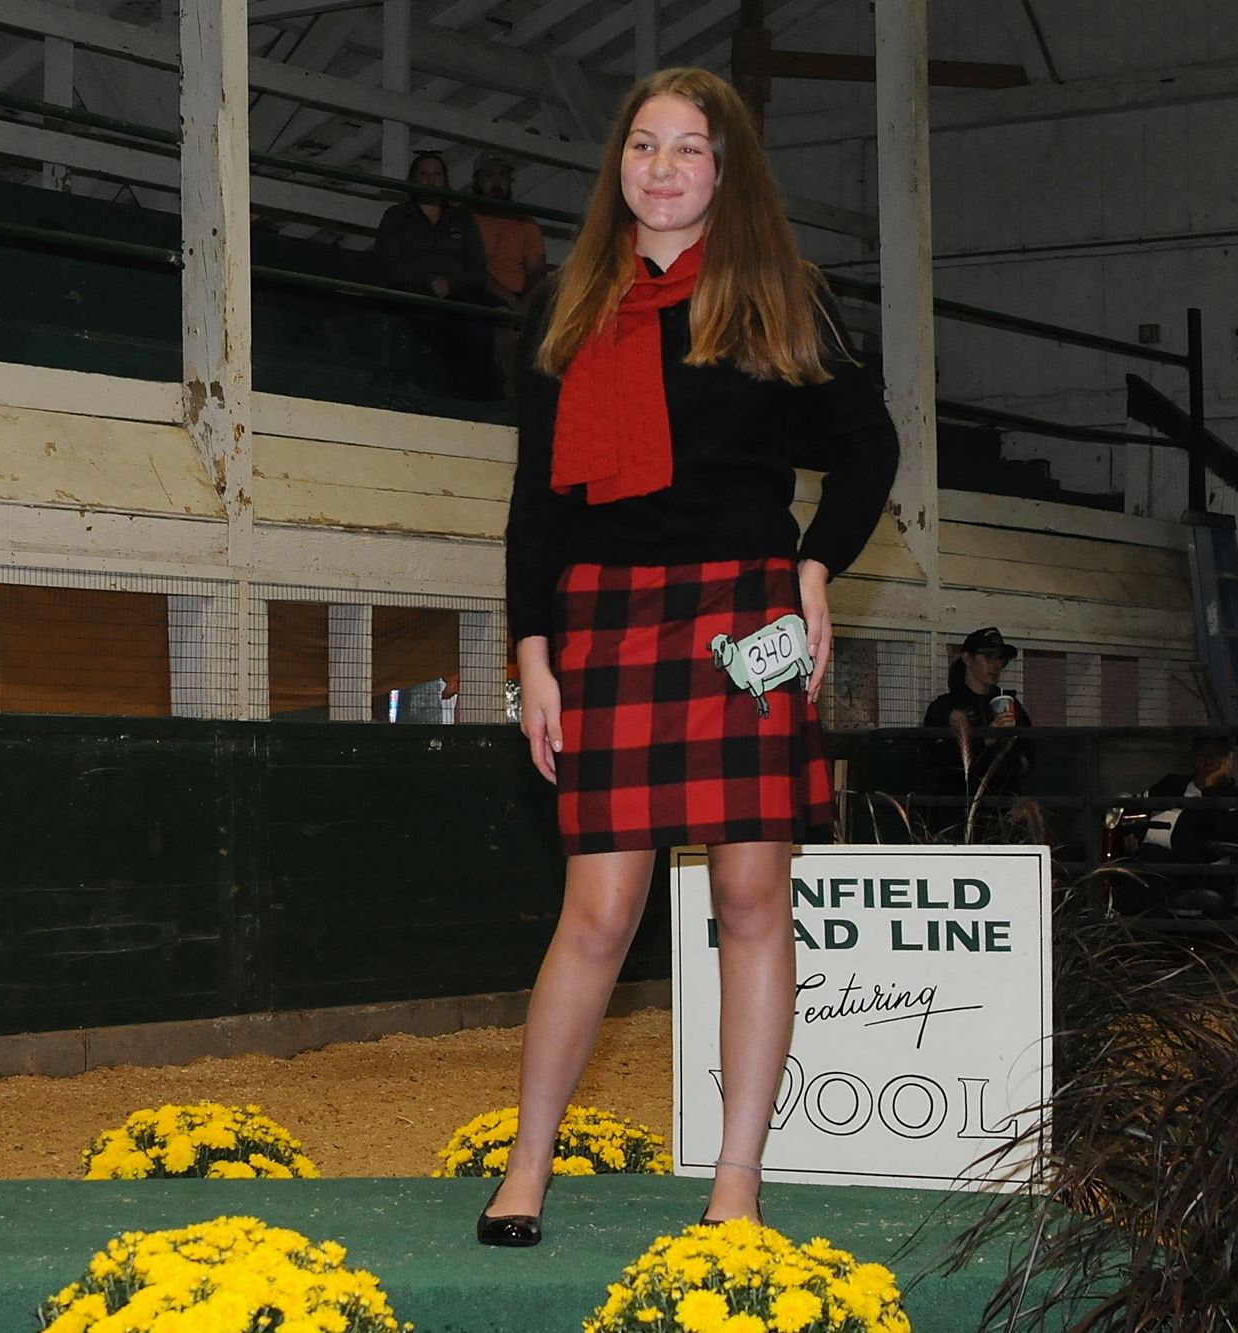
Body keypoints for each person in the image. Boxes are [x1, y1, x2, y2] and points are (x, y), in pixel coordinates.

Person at [487, 67, 899, 1245]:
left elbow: (867, 449)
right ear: (616, 165)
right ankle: (524, 1167)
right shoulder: (565, 305)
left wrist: (815, 566)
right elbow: (535, 501)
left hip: (744, 614)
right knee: (596, 911)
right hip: (603, 618)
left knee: (749, 896)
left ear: (725, 171)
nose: (660, 167)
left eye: (686, 148)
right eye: (642, 145)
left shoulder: (781, 297)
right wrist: (531, 653)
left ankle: (736, 1180)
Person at [374, 151, 496, 398]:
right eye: (424, 173)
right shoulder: (397, 216)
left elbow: (477, 270)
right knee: (436, 324)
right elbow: (388, 264)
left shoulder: (462, 221)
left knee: (480, 327)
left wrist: (452, 285)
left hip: (458, 298)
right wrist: (427, 282)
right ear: (413, 180)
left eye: (437, 174)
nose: (431, 179)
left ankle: (479, 398)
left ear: (446, 181)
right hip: (411, 296)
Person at [1109, 735, 1238, 915]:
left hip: (1196, 869)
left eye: (1216, 755)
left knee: (1149, 860)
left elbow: (1221, 829)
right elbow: (1135, 809)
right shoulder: (1172, 784)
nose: (1208, 760)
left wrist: (1212, 788)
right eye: (1203, 754)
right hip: (1146, 857)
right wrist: (1129, 835)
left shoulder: (1237, 797)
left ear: (1228, 760)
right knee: (1098, 855)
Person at [916, 626, 1034, 832]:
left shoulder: (1012, 706)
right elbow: (937, 763)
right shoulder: (945, 708)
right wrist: (984, 740)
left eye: (1001, 659)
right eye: (989, 657)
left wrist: (1014, 740)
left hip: (1002, 812)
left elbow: (1029, 754)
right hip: (956, 814)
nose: (997, 665)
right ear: (967, 658)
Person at [471, 152, 548, 396]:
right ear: (476, 180)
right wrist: (513, 304)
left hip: (520, 300)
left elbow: (537, 271)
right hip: (480, 296)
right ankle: (511, 396)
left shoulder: (526, 222)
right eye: (489, 175)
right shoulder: (464, 219)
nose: (497, 183)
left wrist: (524, 303)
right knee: (502, 325)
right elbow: (473, 269)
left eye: (503, 176)